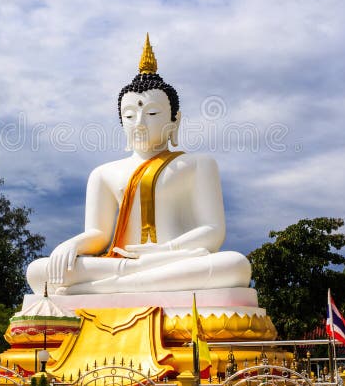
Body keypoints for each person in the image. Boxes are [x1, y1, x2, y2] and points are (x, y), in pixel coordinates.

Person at [26, 36, 251, 295]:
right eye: (130, 115)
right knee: (38, 271)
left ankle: (104, 288)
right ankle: (127, 279)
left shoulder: (198, 164)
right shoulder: (103, 174)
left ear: (175, 120)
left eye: (152, 113)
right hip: (123, 262)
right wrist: (72, 245)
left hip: (176, 261)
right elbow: (98, 233)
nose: (140, 123)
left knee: (235, 265)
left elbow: (213, 232)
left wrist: (165, 252)